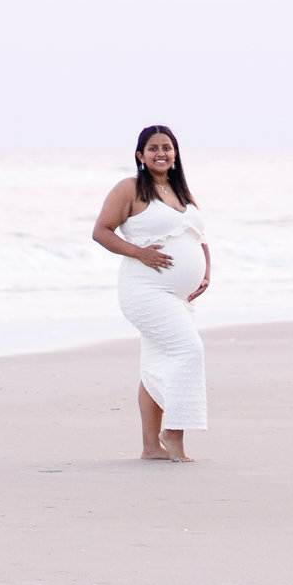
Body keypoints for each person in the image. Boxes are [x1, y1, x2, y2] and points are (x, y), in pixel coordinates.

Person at [91, 124, 210, 461]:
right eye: (154, 148)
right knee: (190, 350)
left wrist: (206, 273)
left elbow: (198, 237)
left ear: (175, 154)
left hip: (178, 296)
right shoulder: (129, 188)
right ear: (140, 155)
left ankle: (149, 448)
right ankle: (172, 434)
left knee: (157, 362)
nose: (161, 153)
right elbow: (101, 231)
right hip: (145, 289)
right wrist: (138, 252)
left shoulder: (180, 191)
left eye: (167, 148)